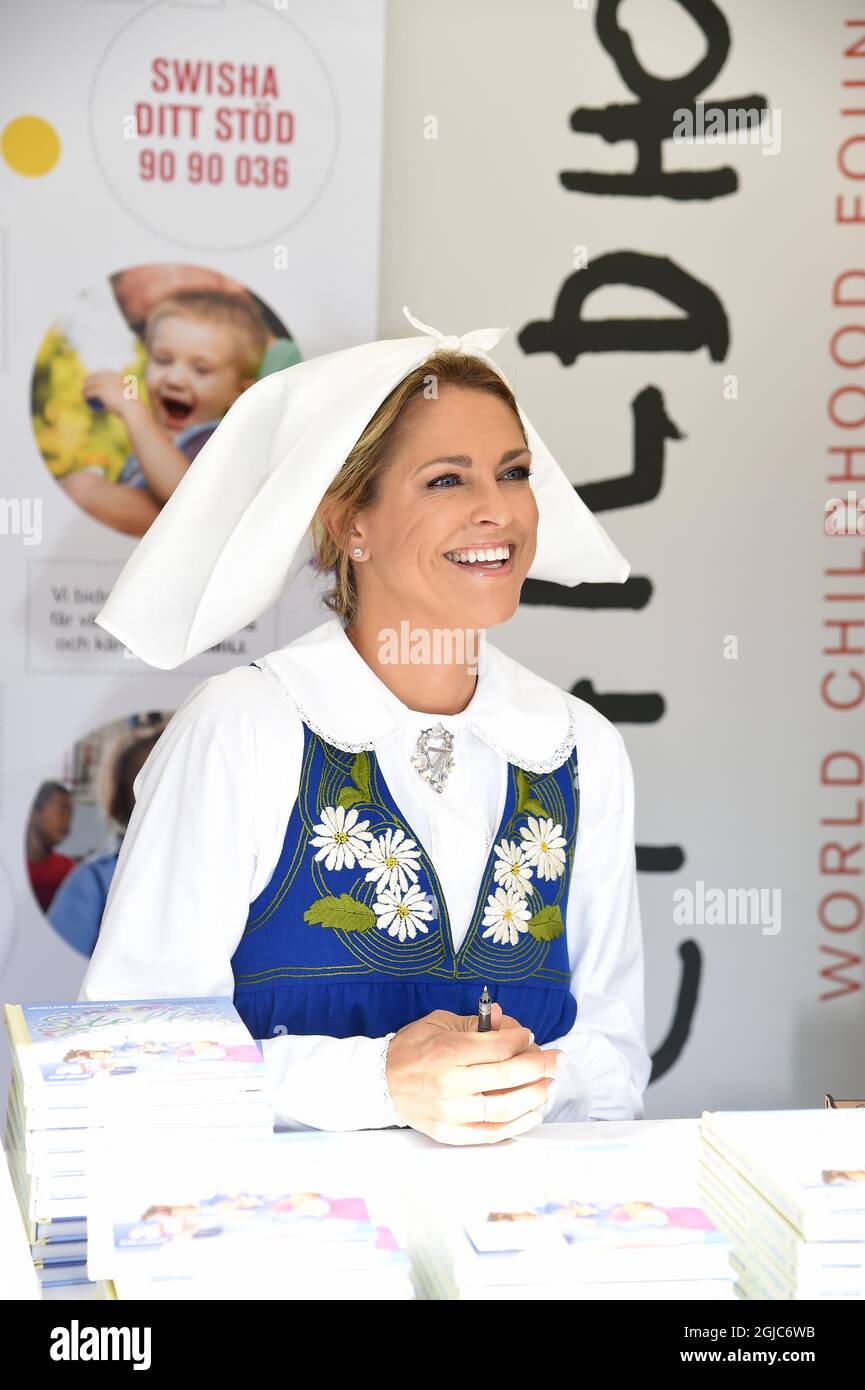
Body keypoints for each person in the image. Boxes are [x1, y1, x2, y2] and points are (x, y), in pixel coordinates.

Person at [78, 306, 651, 1145]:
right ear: (351, 522)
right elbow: (129, 1057)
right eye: (447, 480)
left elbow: (613, 1058)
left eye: (515, 471)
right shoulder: (246, 729)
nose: (499, 511)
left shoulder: (580, 748)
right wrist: (380, 1082)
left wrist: (518, 1081)